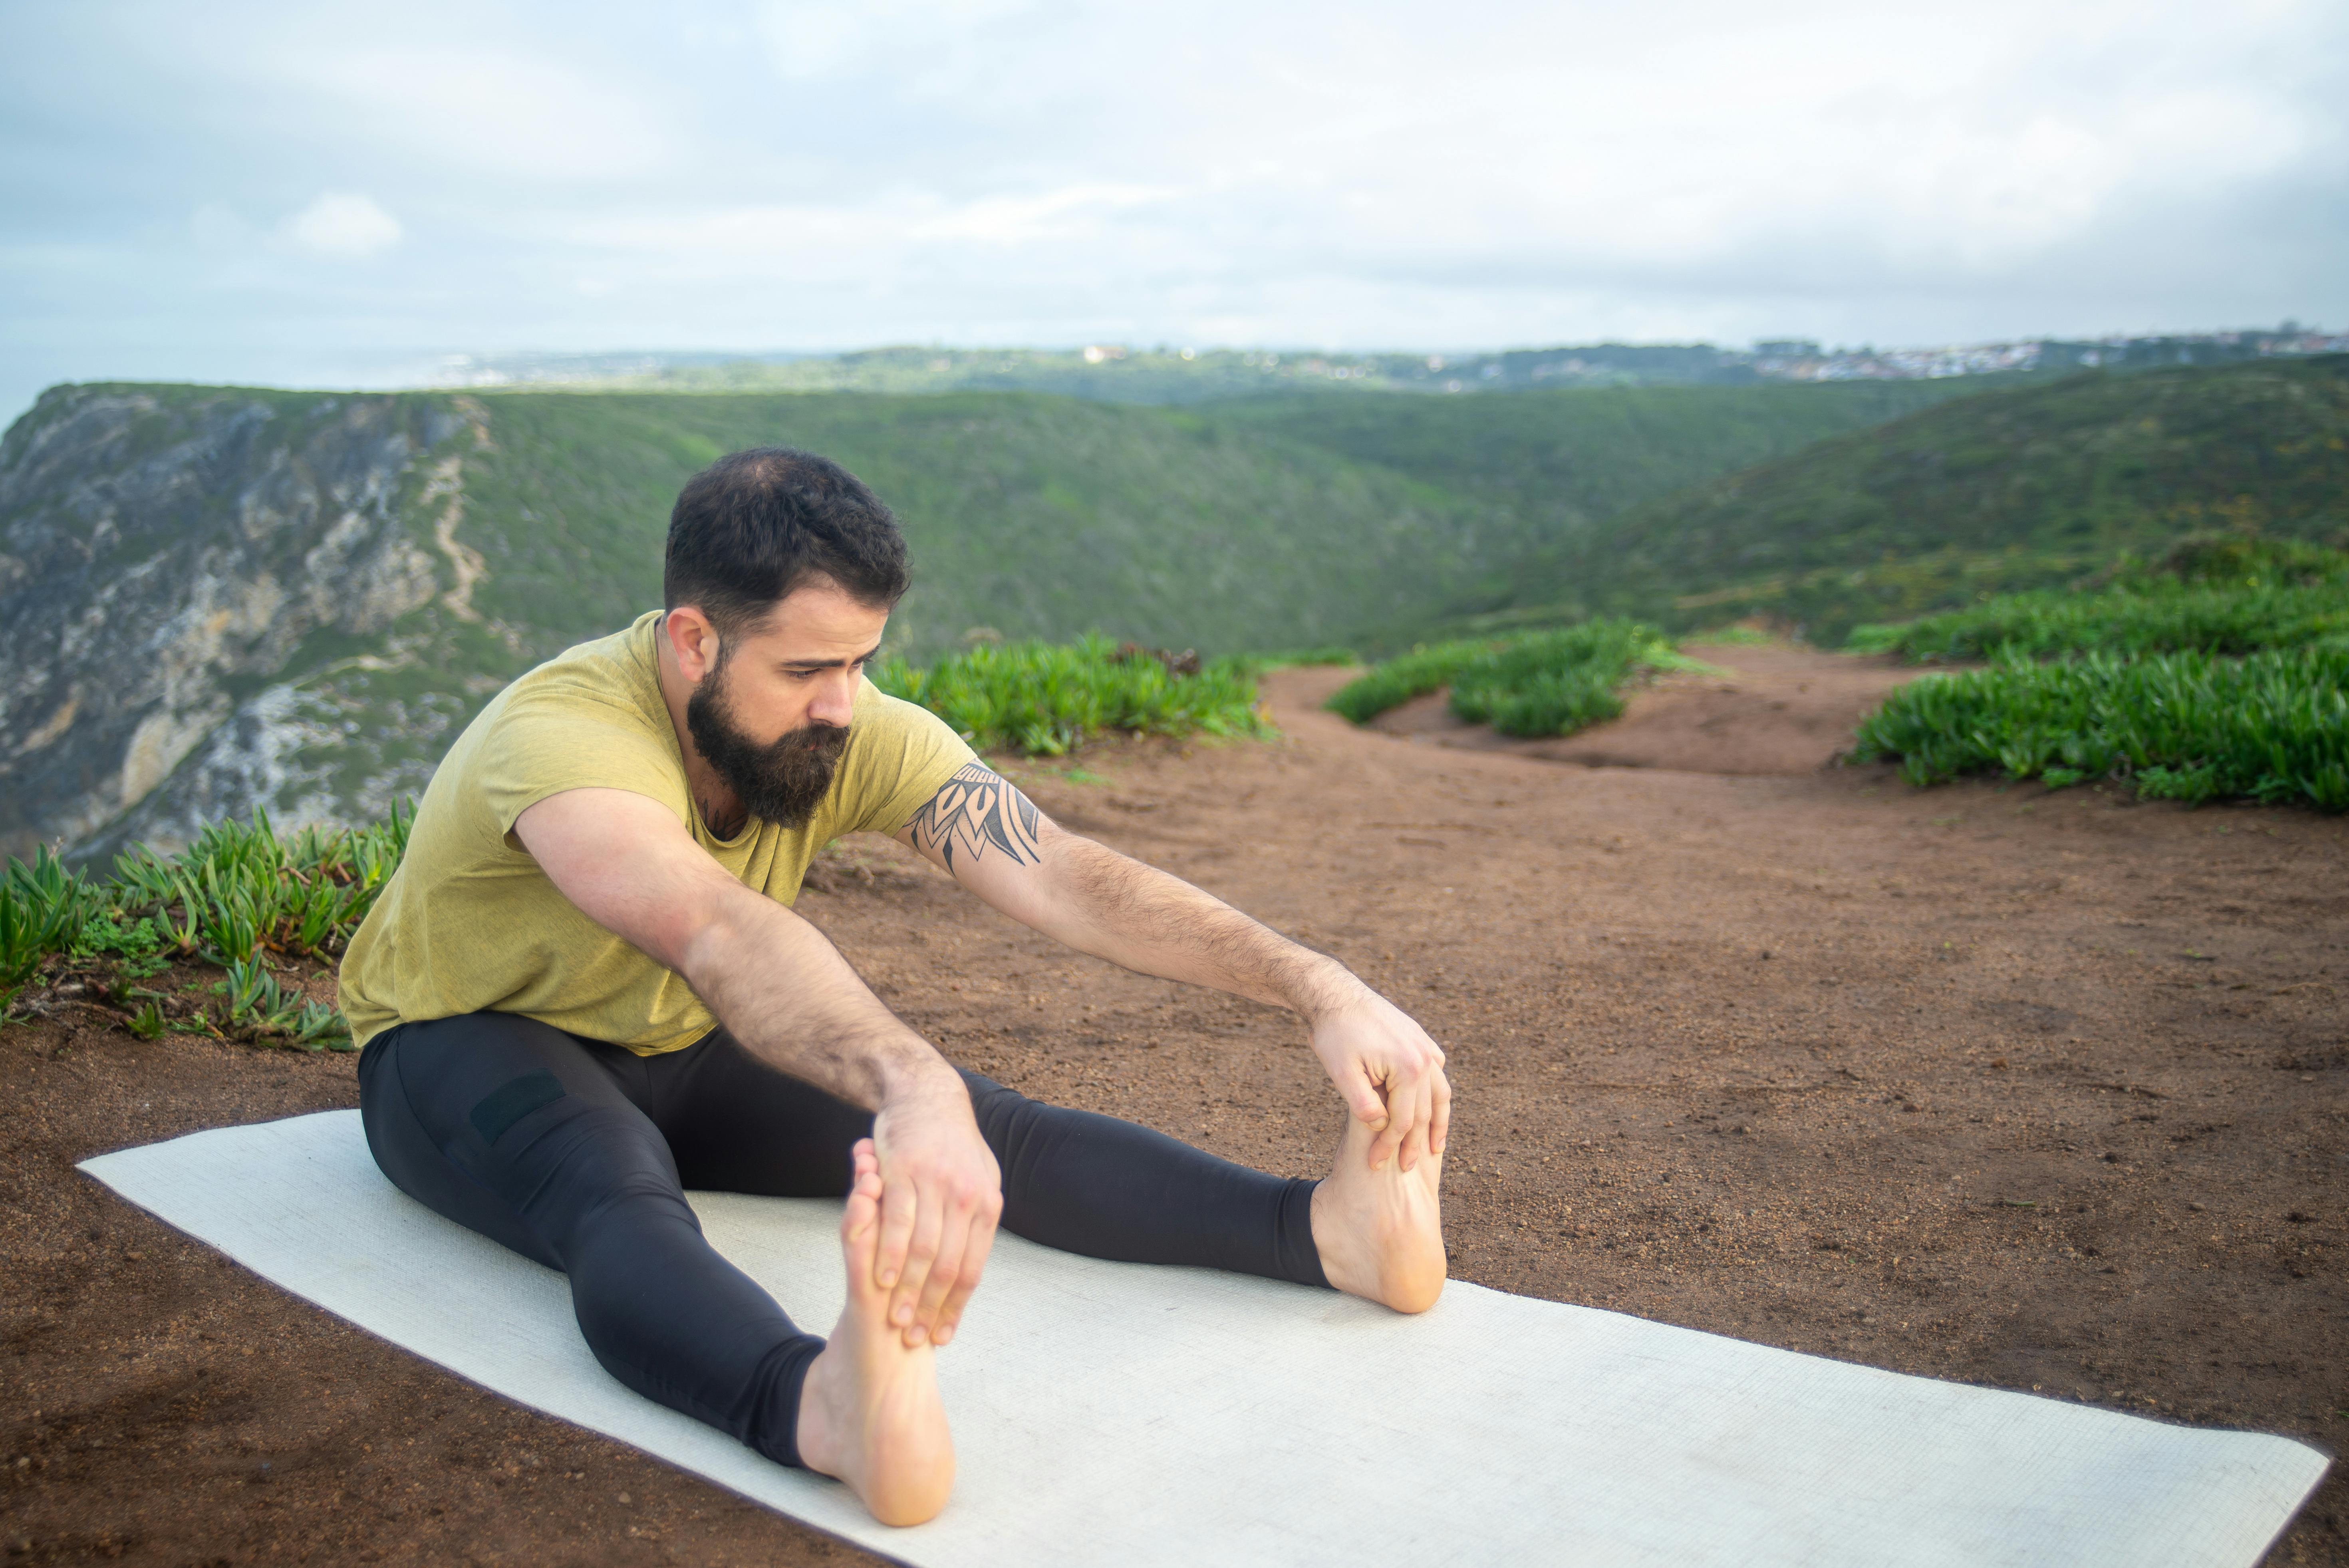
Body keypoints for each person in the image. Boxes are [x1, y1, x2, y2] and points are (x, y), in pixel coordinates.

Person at [338, 447, 1451, 1526]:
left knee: (995, 1129)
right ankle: (817, 1407)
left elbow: (1062, 874)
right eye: (807, 668)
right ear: (692, 641)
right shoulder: (564, 737)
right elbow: (717, 928)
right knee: (613, 1192)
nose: (842, 702)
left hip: (681, 1046)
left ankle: (1323, 1233)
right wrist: (909, 1086)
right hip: (466, 1045)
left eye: (861, 662)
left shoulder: (839, 727)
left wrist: (1316, 985)